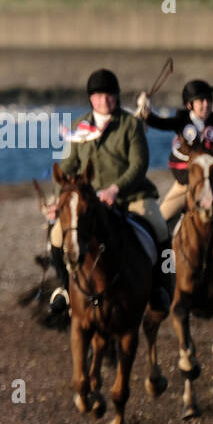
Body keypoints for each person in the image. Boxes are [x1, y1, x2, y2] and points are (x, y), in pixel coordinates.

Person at [45, 68, 171, 321]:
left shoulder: (131, 125)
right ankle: (63, 288)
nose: (105, 101)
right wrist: (58, 201)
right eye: (99, 96)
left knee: (161, 230)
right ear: (91, 99)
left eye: (110, 95)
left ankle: (162, 285)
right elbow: (67, 168)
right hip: (91, 202)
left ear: (117, 97)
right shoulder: (77, 127)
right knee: (57, 234)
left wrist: (115, 189)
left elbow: (139, 165)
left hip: (132, 197)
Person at [135, 78, 213, 224]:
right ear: (189, 104)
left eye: (209, 100)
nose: (206, 105)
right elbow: (160, 123)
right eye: (201, 101)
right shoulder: (182, 120)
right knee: (160, 220)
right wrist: (146, 112)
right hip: (185, 185)